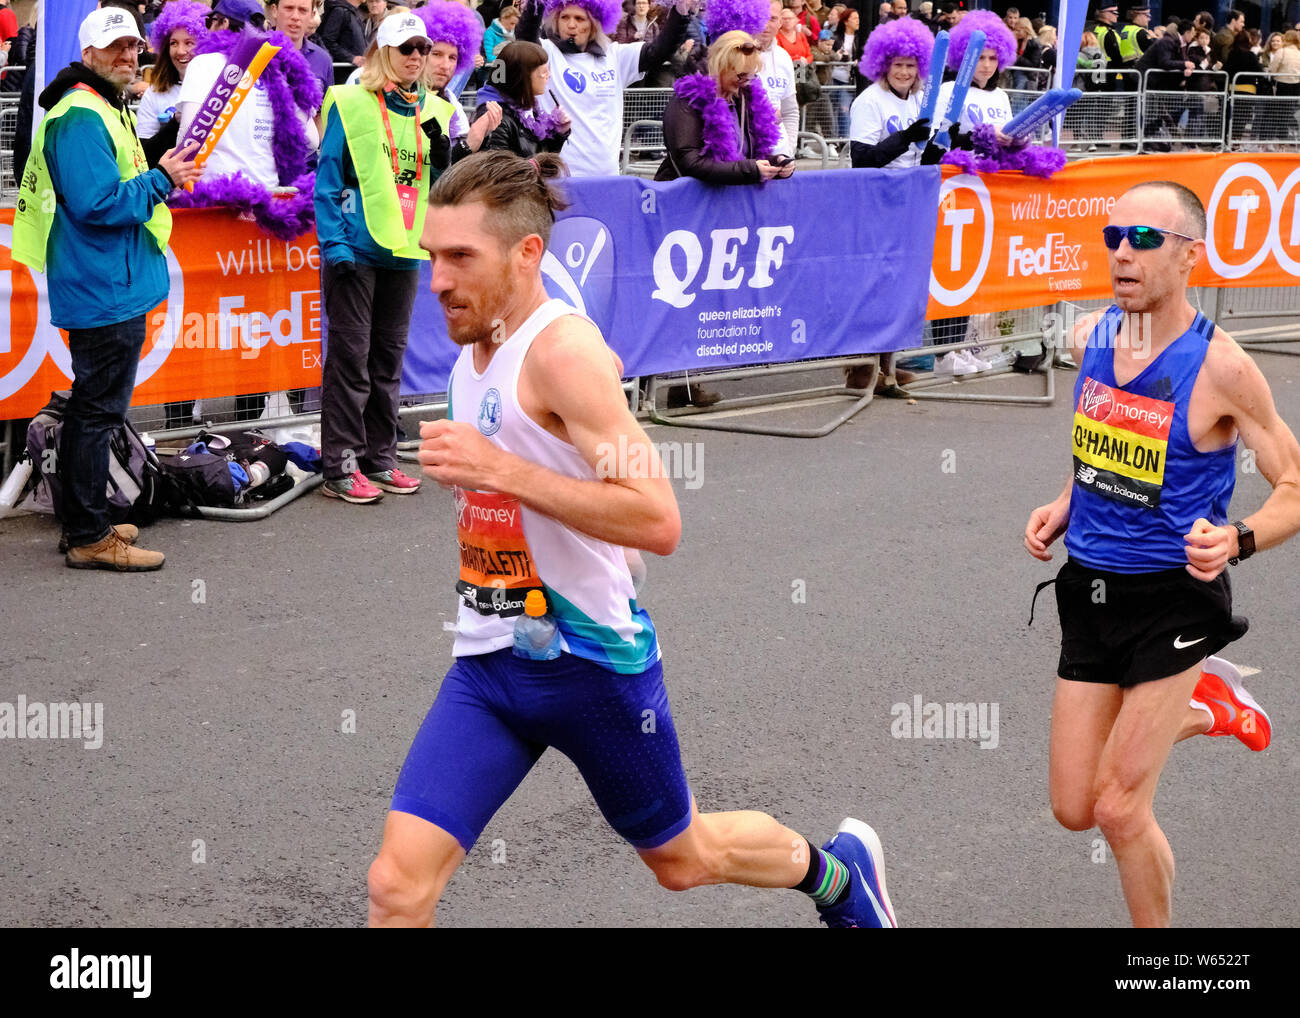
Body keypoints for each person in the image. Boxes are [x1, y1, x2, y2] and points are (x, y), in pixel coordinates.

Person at [365, 149, 899, 929]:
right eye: (431, 257)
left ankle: (839, 879)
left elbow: (657, 518)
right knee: (396, 887)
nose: (437, 280)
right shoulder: (479, 340)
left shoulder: (563, 354)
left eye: (458, 258)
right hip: (490, 660)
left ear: (525, 254)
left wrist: (503, 471)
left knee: (683, 862)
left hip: (590, 668)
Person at [1024, 181, 1300, 927]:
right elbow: (1099, 454)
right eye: (1115, 236)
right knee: (1072, 806)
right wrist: (1064, 504)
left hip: (1175, 598)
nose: (1122, 253)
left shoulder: (1223, 369)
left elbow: (1295, 484)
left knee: (1119, 808)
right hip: (1090, 588)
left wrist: (1238, 538)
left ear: (1190, 258)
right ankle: (1207, 705)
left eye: (1145, 241)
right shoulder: (1090, 339)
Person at [11, 7, 201, 569]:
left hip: (110, 281)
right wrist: (163, 179)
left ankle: (86, 519)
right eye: (115, 47)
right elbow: (98, 205)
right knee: (96, 411)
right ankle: (88, 534)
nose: (129, 56)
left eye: (134, 47)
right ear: (88, 53)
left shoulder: (100, 105)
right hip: (101, 285)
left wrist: (156, 173)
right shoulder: (80, 115)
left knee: (97, 408)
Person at [314, 11, 451, 504]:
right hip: (355, 250)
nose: (416, 57)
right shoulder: (349, 102)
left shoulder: (434, 111)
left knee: (388, 361)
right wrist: (334, 243)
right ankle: (341, 467)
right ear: (383, 53)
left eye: (422, 49)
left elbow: (434, 188)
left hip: (404, 253)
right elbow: (327, 181)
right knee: (351, 361)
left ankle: (380, 459)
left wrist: (447, 157)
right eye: (406, 49)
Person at [846, 16, 934, 397]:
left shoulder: (919, 99)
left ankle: (889, 367)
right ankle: (861, 370)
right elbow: (862, 158)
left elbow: (921, 153)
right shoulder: (870, 101)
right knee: (873, 286)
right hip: (875, 203)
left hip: (908, 201)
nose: (903, 71)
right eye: (897, 64)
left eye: (910, 65)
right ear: (883, 65)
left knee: (899, 287)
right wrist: (904, 138)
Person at [513, 0, 695, 177]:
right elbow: (525, 38)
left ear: (594, 23)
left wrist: (680, 15)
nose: (571, 25)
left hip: (606, 176)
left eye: (579, 19)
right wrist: (537, 3)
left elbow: (659, 50)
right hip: (560, 176)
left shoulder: (614, 55)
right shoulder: (547, 54)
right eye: (564, 17)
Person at [656, 30, 791, 184]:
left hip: (728, 200)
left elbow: (745, 156)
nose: (746, 81)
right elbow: (690, 162)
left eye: (751, 75)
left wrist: (776, 163)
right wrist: (751, 170)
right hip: (688, 200)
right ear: (721, 67)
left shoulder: (744, 98)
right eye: (741, 75)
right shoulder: (688, 100)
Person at [419, 0, 503, 164]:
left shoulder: (451, 102)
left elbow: (450, 168)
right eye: (436, 54)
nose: (445, 66)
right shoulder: (402, 97)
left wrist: (480, 138)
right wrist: (469, 143)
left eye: (453, 58)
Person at [473, 41, 572, 156]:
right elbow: (498, 169)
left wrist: (559, 134)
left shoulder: (528, 106)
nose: (548, 75)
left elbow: (541, 155)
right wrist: (535, 166)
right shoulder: (495, 117)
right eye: (543, 72)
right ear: (523, 77)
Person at [756, 0, 799, 160]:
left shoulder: (783, 57)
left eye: (772, 19)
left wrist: (789, 151)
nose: (766, 24)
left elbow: (790, 111)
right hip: (747, 157)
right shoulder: (737, 53)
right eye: (761, 17)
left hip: (778, 156)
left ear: (780, 22)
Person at [271, 0, 336, 93]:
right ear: (275, 11)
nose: (295, 17)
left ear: (312, 15)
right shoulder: (253, 52)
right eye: (289, 8)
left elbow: (326, 106)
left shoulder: (323, 60)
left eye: (302, 10)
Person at [318, 0, 369, 81]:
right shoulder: (339, 11)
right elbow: (327, 41)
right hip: (343, 76)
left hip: (354, 74)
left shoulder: (352, 12)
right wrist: (352, 58)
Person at [1093, 3, 1125, 90]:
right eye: (1115, 13)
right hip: (1109, 70)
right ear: (1105, 14)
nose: (1117, 16)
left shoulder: (1094, 29)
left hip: (1095, 67)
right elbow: (1116, 55)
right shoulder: (1109, 33)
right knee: (1107, 99)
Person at [1117, 4, 1153, 75]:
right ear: (1139, 15)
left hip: (1126, 70)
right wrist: (1155, 38)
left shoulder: (1125, 29)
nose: (1149, 19)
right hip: (1139, 71)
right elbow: (1154, 51)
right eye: (1147, 15)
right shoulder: (1141, 32)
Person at [1010, 16, 1043, 89]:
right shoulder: (1019, 41)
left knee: (1020, 97)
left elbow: (1034, 64)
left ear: (1025, 29)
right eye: (1015, 30)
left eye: (1018, 30)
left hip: (1027, 76)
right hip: (1016, 74)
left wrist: (1018, 58)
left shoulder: (1034, 43)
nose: (1016, 32)